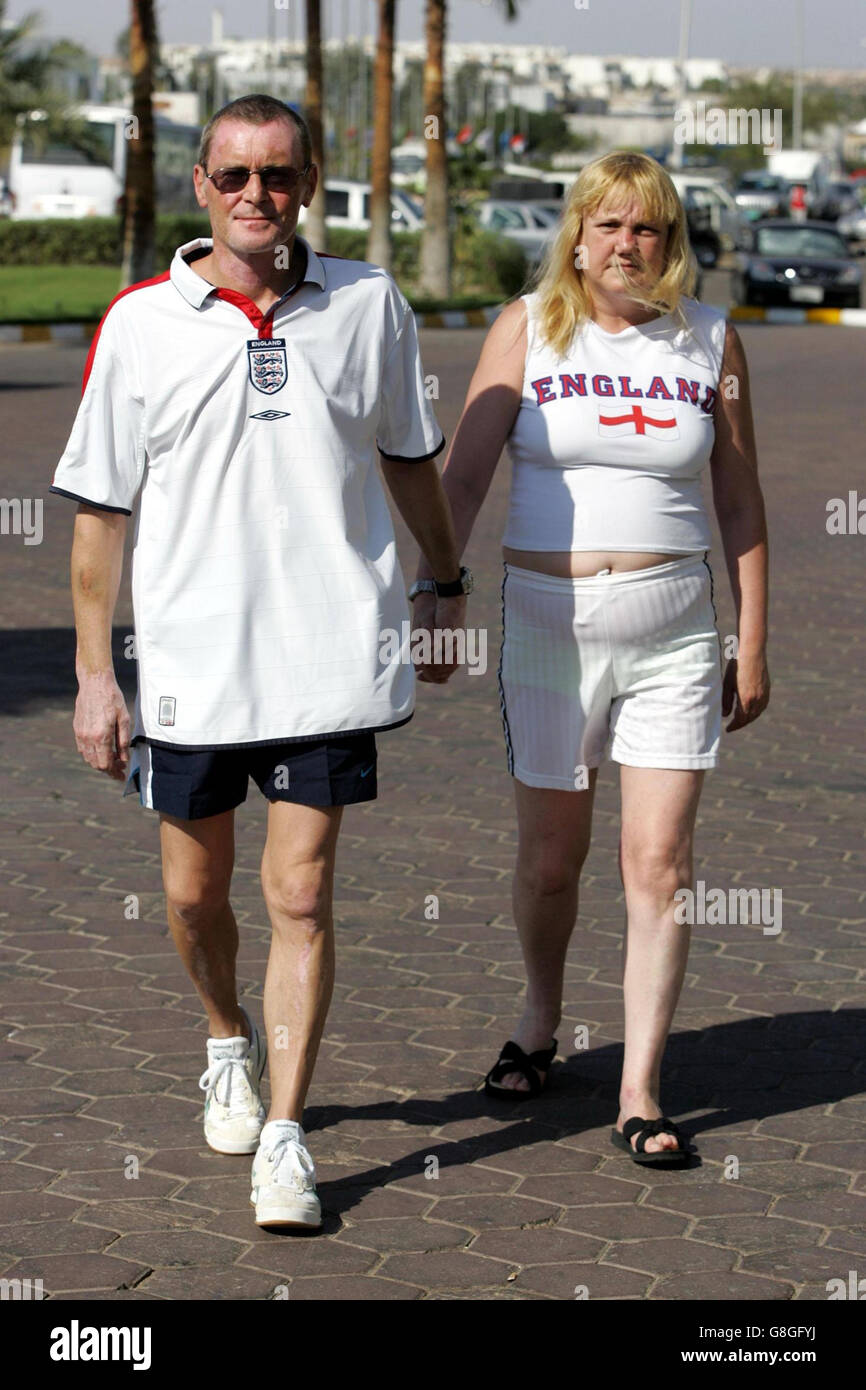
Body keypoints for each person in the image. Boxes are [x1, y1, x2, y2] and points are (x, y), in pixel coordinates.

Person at [50, 94, 471, 1229]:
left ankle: (284, 1135)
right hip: (190, 663)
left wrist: (443, 581)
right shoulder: (142, 321)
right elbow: (98, 514)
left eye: (277, 177)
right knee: (194, 894)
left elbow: (409, 458)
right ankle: (224, 1036)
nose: (256, 196)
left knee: (299, 891)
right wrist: (96, 675)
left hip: (329, 652)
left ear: (307, 187)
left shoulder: (367, 303)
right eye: (234, 175)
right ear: (201, 186)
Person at [411, 151, 770, 1166]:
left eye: (646, 229)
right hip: (545, 623)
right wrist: (437, 592)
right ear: (575, 233)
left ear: (669, 243)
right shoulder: (527, 327)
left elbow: (738, 499)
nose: (625, 245)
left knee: (657, 864)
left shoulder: (709, 339)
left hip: (674, 625)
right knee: (548, 860)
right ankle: (537, 1020)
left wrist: (753, 635)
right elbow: (466, 474)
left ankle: (639, 1089)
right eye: (607, 225)